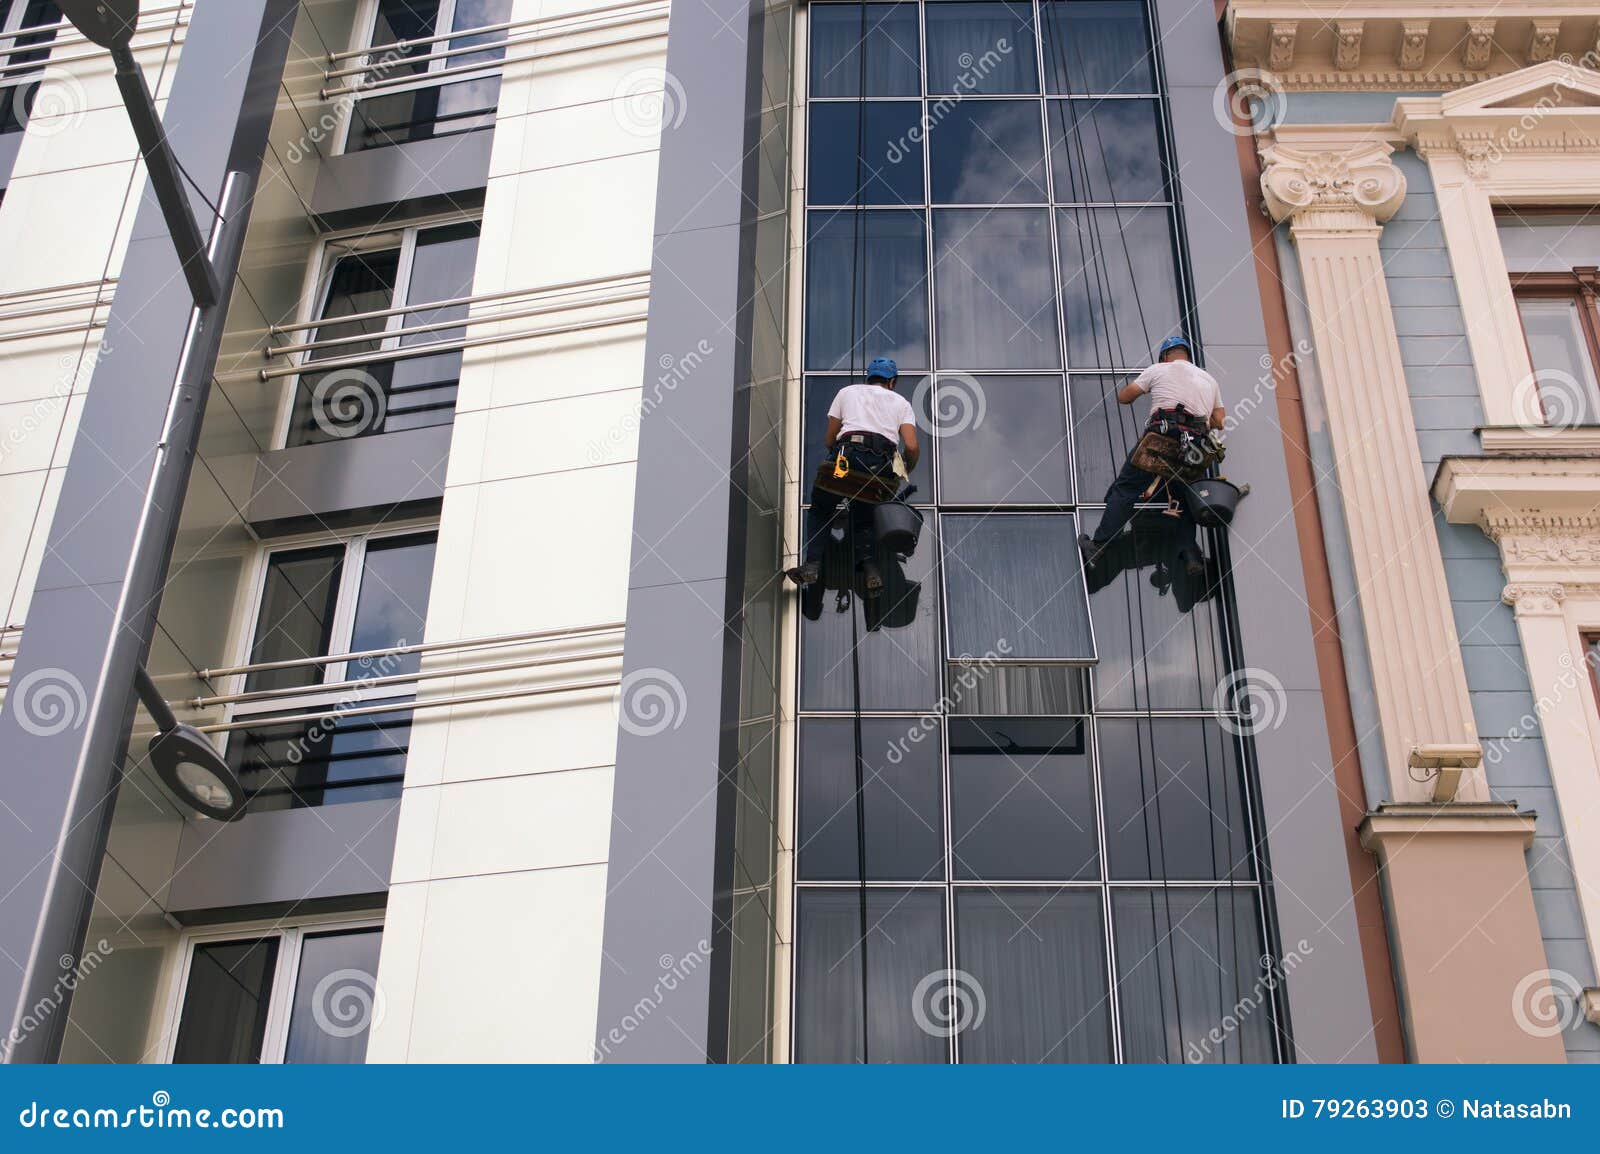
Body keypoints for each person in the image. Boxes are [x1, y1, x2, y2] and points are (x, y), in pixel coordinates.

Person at [1080, 336, 1224, 578]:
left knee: (1125, 489)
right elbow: (1219, 420)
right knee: (1183, 499)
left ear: (1165, 356)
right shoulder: (1209, 379)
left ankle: (1099, 545)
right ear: (1187, 355)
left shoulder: (1158, 369)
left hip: (1162, 440)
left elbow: (1124, 397)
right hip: (1195, 448)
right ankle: (1190, 555)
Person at [787, 357, 920, 595]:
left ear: (869, 377)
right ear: (892, 382)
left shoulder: (847, 392)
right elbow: (911, 446)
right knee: (865, 516)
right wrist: (905, 470)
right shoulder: (902, 403)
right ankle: (871, 572)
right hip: (881, 468)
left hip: (847, 459)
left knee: (821, 509)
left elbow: (830, 439)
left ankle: (813, 565)